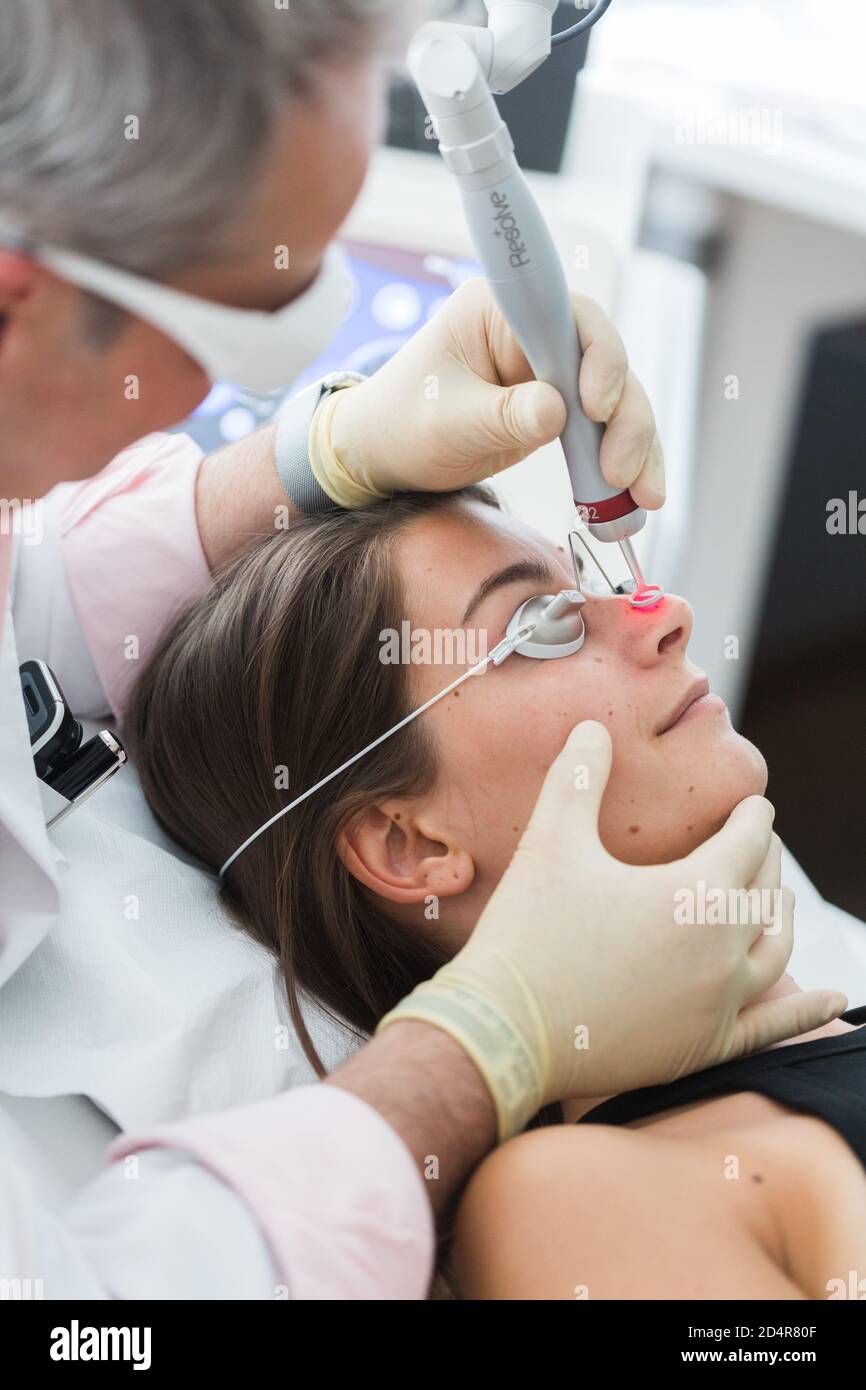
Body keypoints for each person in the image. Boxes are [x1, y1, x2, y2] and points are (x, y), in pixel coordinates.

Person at [0, 0, 840, 1300]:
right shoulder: (599, 1207)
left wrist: (310, 457)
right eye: (262, 326)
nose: (663, 611)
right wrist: (482, 1045)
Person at [125, 484, 859, 1303]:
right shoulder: (576, 1206)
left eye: (587, 585)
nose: (665, 614)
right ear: (411, 845)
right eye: (540, 628)